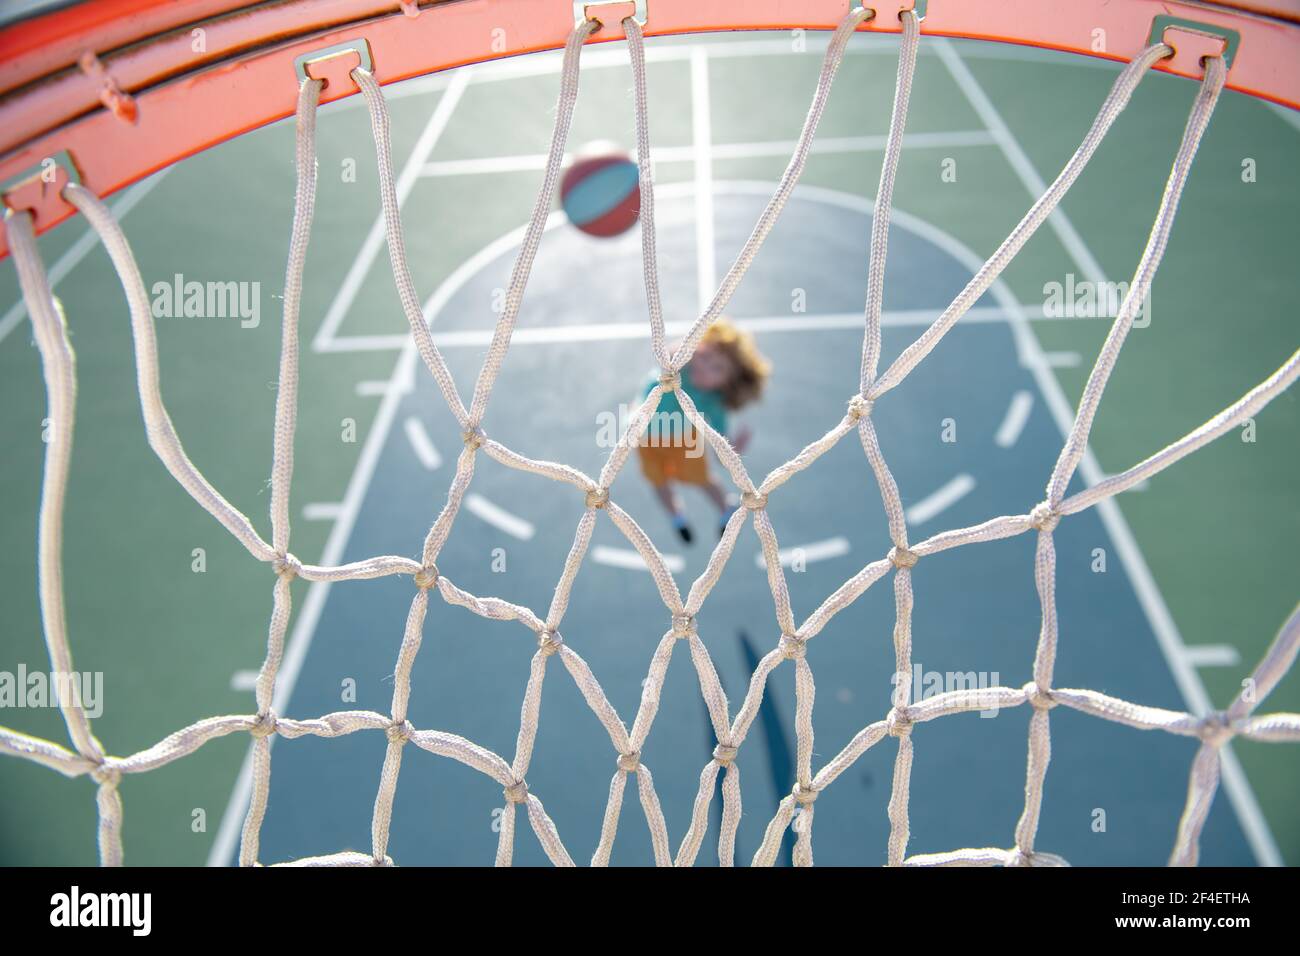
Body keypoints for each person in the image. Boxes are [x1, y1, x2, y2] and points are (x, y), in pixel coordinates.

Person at [636, 318, 770, 543]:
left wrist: (733, 449)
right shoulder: (680, 368)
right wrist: (690, 345)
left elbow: (720, 448)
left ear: (727, 382)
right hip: (647, 438)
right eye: (706, 356)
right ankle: (677, 516)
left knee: (702, 479)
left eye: (717, 368)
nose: (705, 367)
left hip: (685, 442)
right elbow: (666, 353)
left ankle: (726, 507)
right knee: (658, 481)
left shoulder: (712, 402)